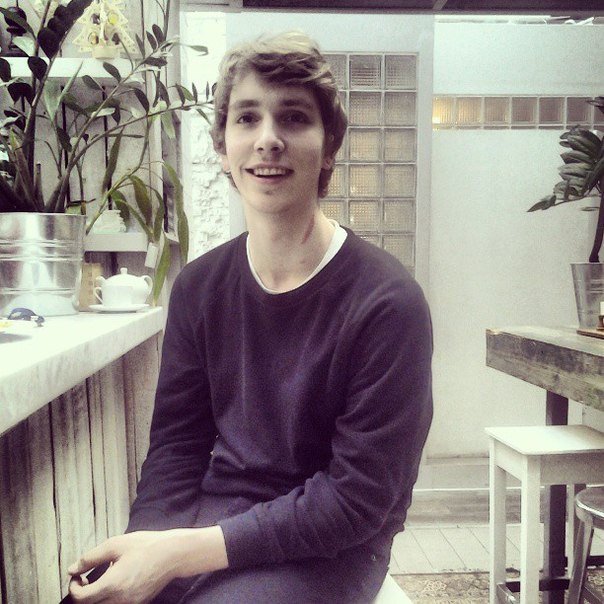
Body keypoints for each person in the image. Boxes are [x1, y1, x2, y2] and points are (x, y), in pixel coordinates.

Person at [67, 31, 433, 604]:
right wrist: (144, 551)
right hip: (213, 520)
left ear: (329, 146)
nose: (268, 139)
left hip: (331, 546)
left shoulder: (388, 304)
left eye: (294, 118)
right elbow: (176, 449)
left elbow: (356, 501)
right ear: (223, 148)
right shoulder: (199, 288)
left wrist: (176, 555)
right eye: (247, 118)